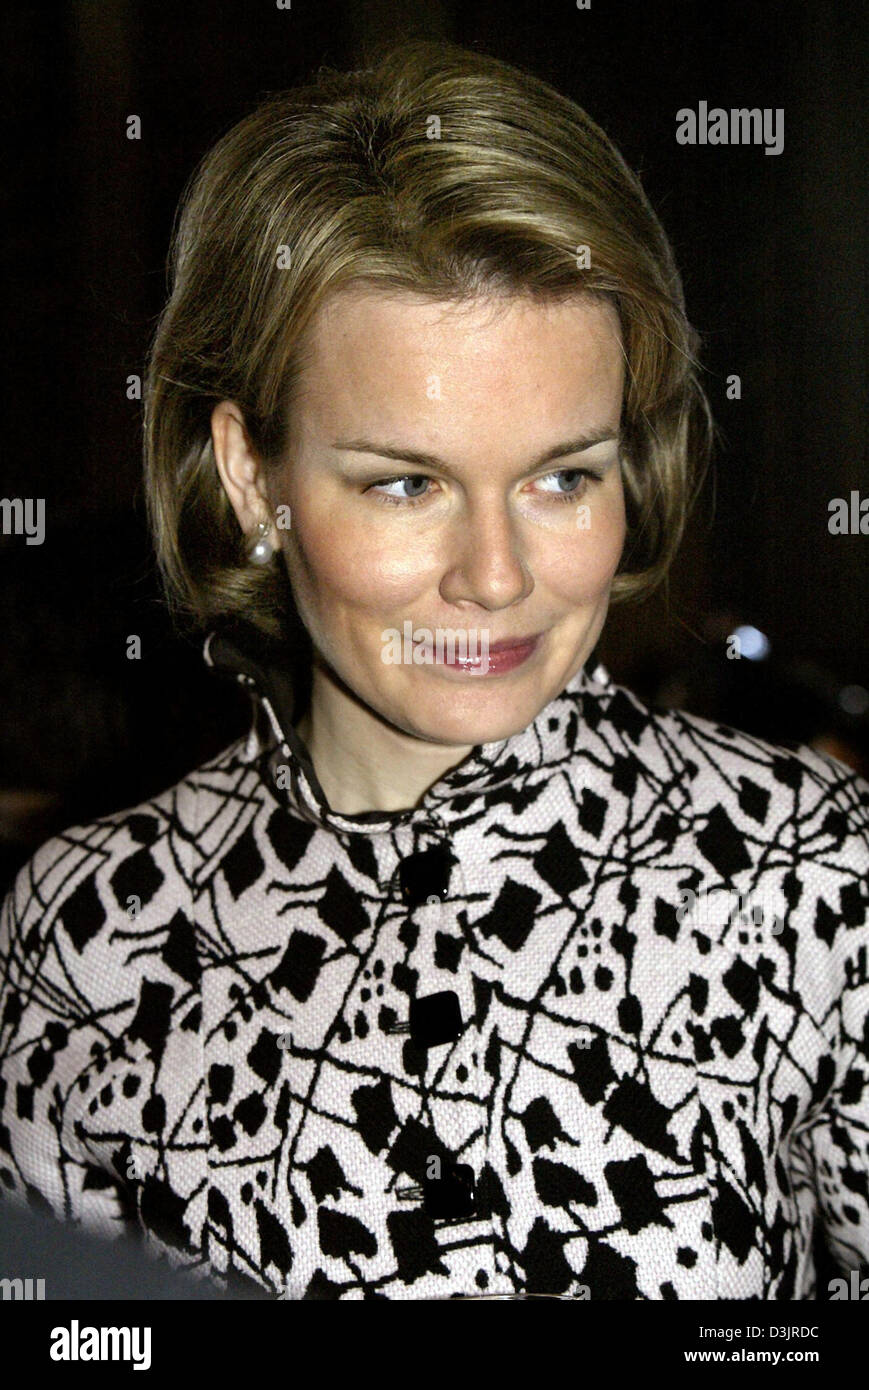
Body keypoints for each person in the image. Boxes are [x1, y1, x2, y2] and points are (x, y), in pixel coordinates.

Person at [1, 40, 867, 1302]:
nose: (497, 574)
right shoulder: (82, 936)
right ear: (253, 477)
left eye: (562, 475)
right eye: (406, 483)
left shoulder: (808, 876)